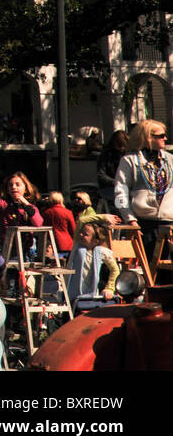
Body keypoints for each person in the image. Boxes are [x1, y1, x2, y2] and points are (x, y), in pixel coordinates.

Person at [113, 118, 173, 262]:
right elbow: (120, 192)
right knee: (150, 267)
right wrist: (130, 219)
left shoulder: (170, 160)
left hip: (170, 222)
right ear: (147, 138)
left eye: (165, 135)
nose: (165, 138)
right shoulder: (130, 161)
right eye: (161, 135)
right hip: (145, 224)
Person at [67, 220, 121, 312]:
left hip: (90, 296)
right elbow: (82, 219)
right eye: (81, 232)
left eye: (85, 234)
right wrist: (103, 217)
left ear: (95, 241)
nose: (81, 235)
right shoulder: (76, 247)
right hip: (72, 295)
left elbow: (115, 270)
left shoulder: (101, 252)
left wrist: (110, 288)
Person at [96, 129, 129, 212]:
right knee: (121, 194)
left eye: (123, 146)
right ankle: (122, 216)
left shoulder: (128, 155)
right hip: (109, 187)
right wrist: (117, 182)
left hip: (127, 187)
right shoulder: (105, 155)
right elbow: (101, 176)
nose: (121, 148)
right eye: (119, 146)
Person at [42, 190, 75, 256]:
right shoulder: (67, 212)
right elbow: (73, 229)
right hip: (67, 243)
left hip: (52, 243)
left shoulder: (46, 212)